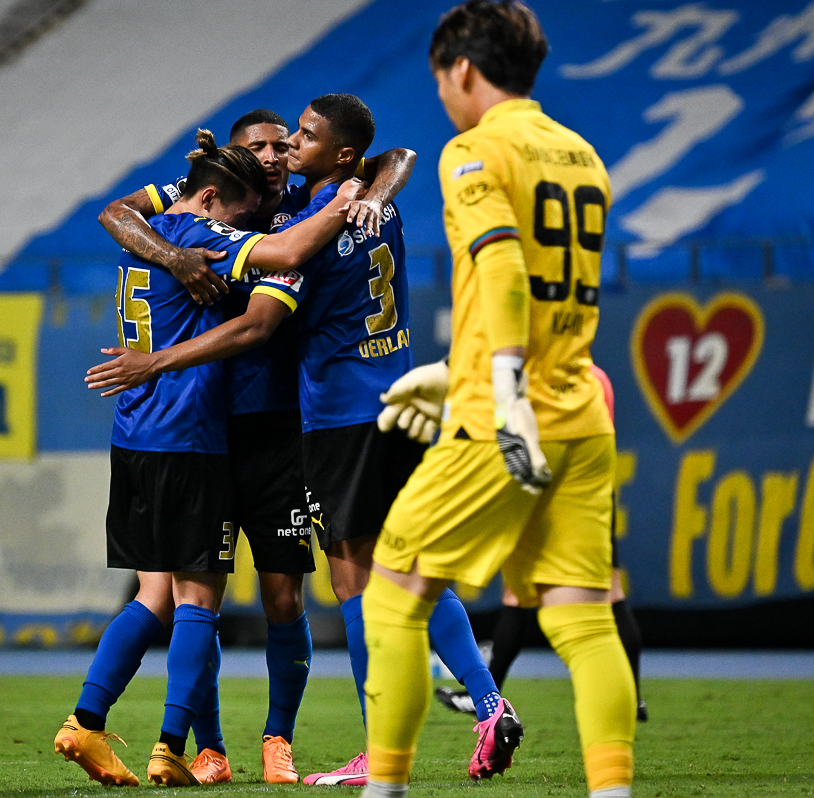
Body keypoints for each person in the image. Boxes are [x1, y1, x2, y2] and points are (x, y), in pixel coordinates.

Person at [83, 94, 510, 788]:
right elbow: (114, 211)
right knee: (209, 591)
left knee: (297, 594)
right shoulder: (219, 208)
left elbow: (390, 161)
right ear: (231, 164)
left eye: (291, 142)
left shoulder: (309, 211)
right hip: (221, 429)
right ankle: (208, 745)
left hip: (293, 430)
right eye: (265, 147)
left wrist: (364, 189)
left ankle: (284, 738)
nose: (279, 153)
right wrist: (176, 259)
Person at [360, 3, 637, 798]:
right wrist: (461, 365)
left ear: (465, 72)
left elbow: (507, 269)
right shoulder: (581, 154)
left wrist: (501, 390)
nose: (444, 95)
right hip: (582, 411)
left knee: (393, 593)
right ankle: (612, 793)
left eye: (442, 79)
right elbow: (551, 298)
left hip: (502, 420)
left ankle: (385, 788)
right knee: (585, 621)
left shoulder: (473, 151)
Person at [53, 129, 359, 788]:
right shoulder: (207, 242)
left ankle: (99, 724)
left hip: (135, 435)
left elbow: (115, 210)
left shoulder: (149, 228)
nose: (242, 224)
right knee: (196, 603)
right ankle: (159, 741)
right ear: (215, 196)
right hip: (191, 439)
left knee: (155, 594)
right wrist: (354, 198)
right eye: (237, 210)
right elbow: (281, 250)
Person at [432, 365, 648, 722]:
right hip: (592, 489)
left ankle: (486, 696)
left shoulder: (534, 376)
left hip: (540, 484)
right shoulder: (597, 380)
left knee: (517, 595)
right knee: (609, 593)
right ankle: (632, 698)